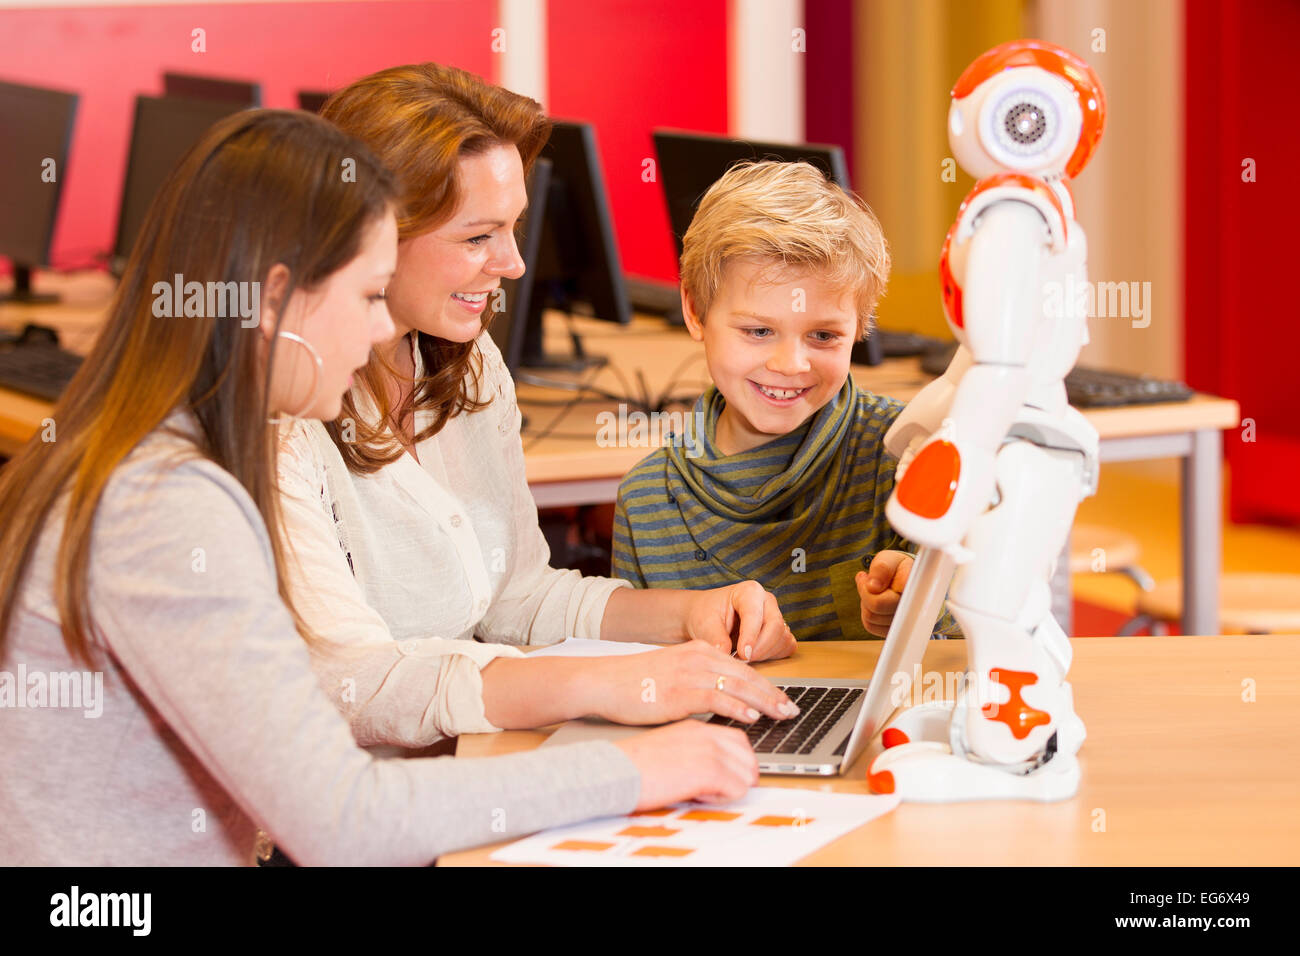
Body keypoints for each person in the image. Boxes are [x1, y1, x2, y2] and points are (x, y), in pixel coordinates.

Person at [0, 110, 758, 867]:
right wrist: (634, 770)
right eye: (368, 297)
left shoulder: (144, 449)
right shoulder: (166, 505)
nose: (375, 336)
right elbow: (346, 821)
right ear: (273, 301)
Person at [273, 62, 798, 758]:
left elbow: (515, 598)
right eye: (476, 237)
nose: (513, 262)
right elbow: (352, 682)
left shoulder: (468, 363)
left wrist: (690, 616)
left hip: (465, 767)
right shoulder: (282, 414)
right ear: (368, 234)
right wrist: (601, 685)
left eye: (514, 228)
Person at [612, 160, 960, 641]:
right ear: (694, 311)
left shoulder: (904, 452)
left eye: (823, 335)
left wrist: (924, 602)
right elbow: (636, 672)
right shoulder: (646, 501)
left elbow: (967, 643)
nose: (791, 364)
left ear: (859, 329)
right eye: (758, 331)